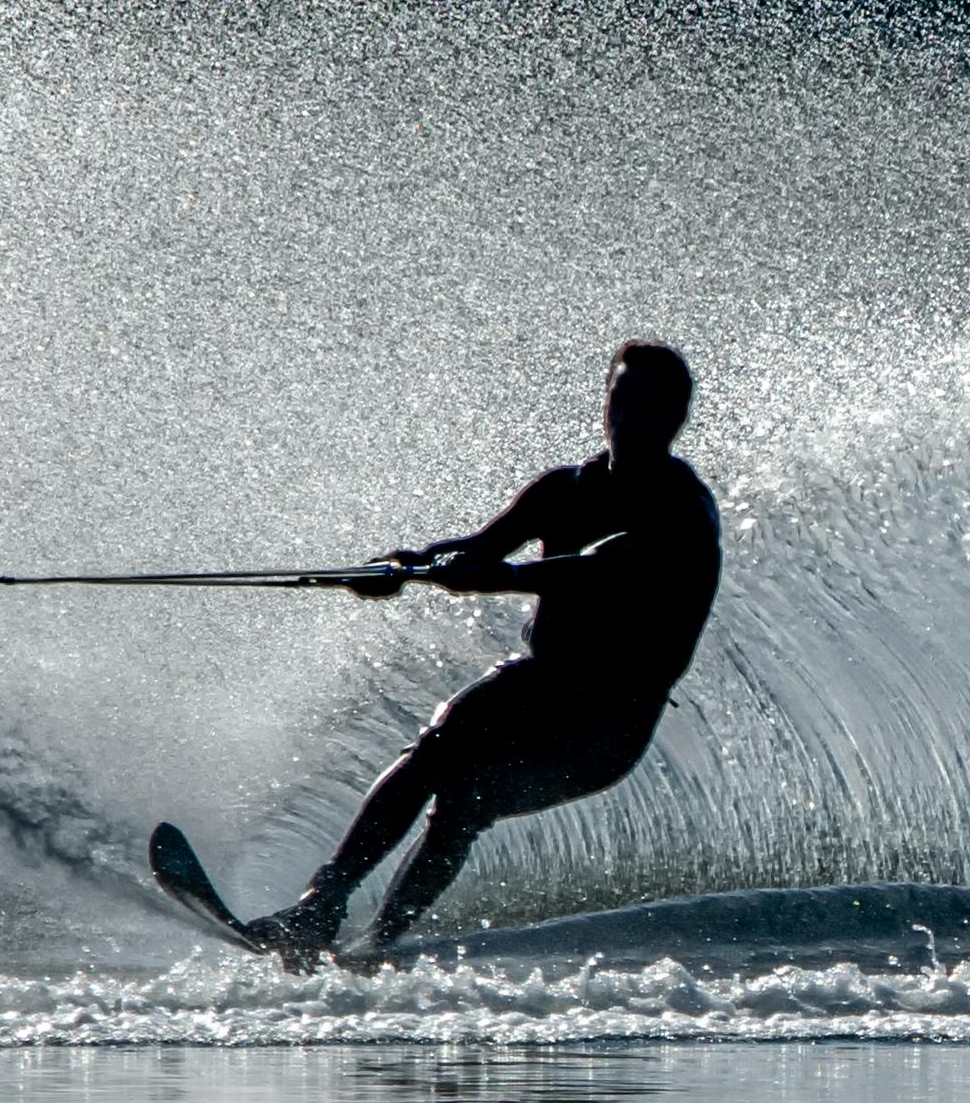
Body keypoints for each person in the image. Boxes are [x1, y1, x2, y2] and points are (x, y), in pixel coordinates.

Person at [240, 340, 724, 960]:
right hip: (542, 685)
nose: (627, 417)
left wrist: (504, 579)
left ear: (675, 418)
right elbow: (479, 548)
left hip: (609, 725)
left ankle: (375, 946)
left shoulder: (684, 514)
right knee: (436, 749)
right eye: (619, 401)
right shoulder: (562, 490)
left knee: (466, 800)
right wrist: (402, 567)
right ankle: (319, 908)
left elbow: (593, 569)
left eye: (647, 407)